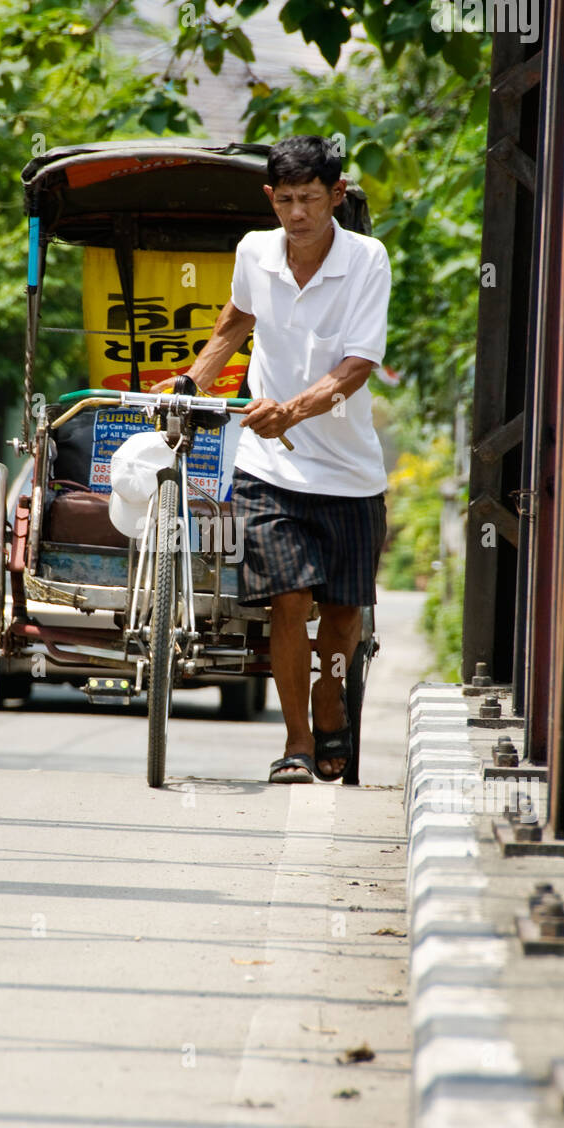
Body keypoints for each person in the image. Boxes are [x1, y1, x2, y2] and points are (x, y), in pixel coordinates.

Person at [169, 135, 390, 783]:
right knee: (287, 601)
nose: (297, 214)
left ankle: (330, 703)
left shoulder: (367, 261)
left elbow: (356, 367)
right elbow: (234, 321)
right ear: (271, 198)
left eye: (311, 200)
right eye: (286, 200)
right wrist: (194, 381)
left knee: (343, 614)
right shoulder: (254, 252)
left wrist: (289, 411)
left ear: (336, 197)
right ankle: (297, 743)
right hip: (269, 468)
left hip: (350, 472)